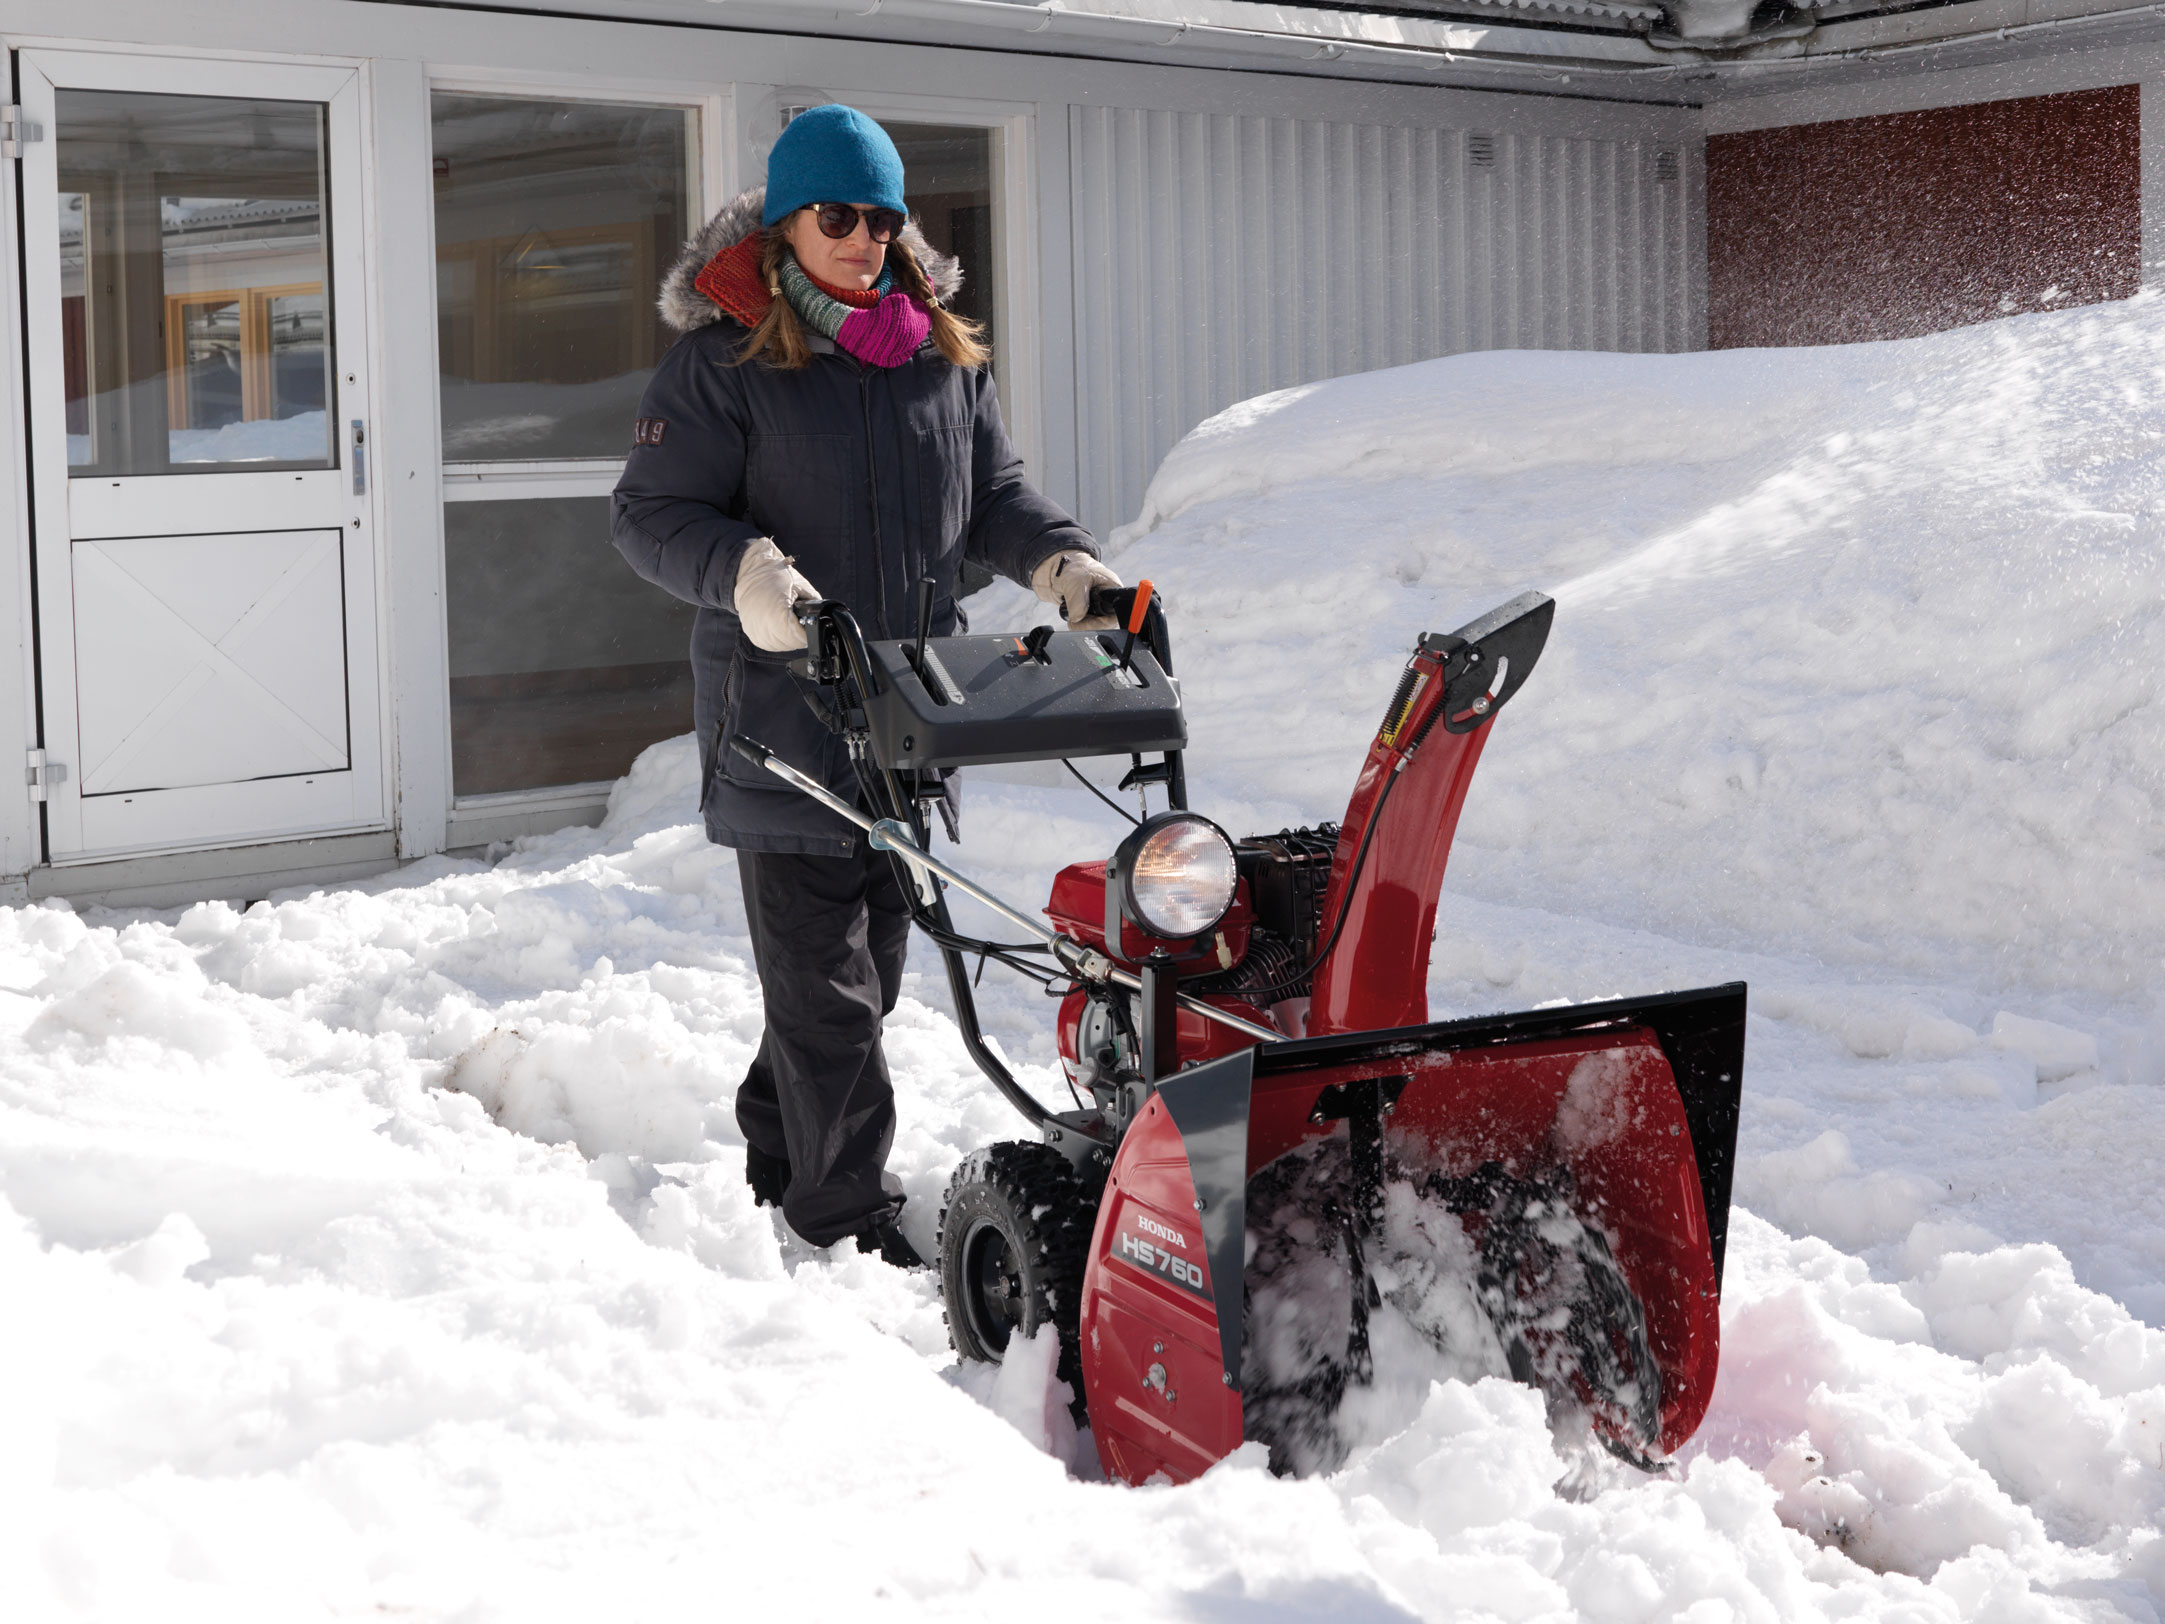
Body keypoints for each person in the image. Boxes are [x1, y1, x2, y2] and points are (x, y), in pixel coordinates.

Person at [611, 106, 1120, 1267]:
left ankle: (769, 1132)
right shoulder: (723, 358)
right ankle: (842, 1215)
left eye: (880, 217)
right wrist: (748, 575)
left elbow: (994, 496)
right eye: (835, 215)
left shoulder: (935, 356)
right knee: (830, 989)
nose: (860, 235)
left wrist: (1063, 566)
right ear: (786, 222)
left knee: (865, 975)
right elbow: (647, 514)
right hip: (782, 719)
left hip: (907, 713)